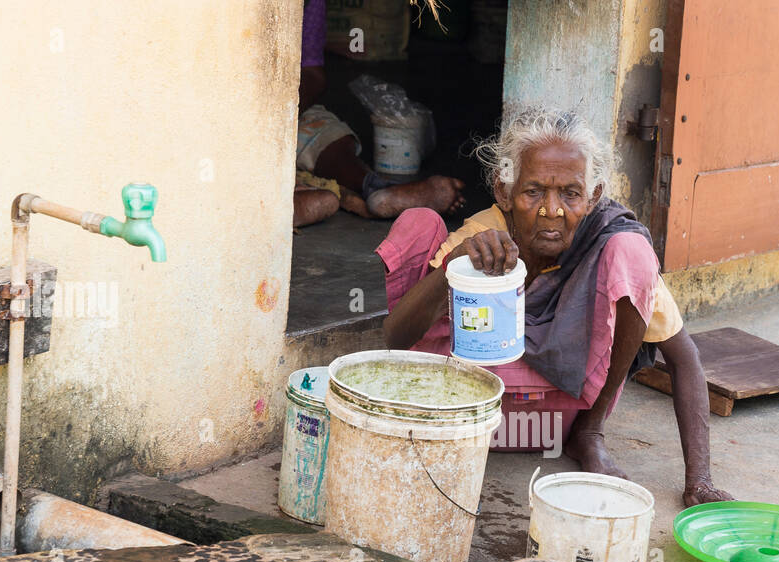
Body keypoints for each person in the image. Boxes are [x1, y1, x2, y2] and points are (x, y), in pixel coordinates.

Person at [377, 107, 732, 506]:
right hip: (471, 417)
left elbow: (684, 358)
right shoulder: (483, 235)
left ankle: (590, 432)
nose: (552, 209)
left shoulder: (608, 241)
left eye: (570, 193)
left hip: (556, 421)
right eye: (533, 192)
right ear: (504, 193)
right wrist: (456, 265)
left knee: (634, 250)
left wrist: (699, 480)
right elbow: (395, 337)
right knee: (426, 236)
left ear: (593, 196)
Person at [295, 0, 466, 227]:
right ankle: (305, 200)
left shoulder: (311, 4)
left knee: (325, 133)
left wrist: (282, 115)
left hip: (284, 104)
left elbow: (313, 75)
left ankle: (374, 187)